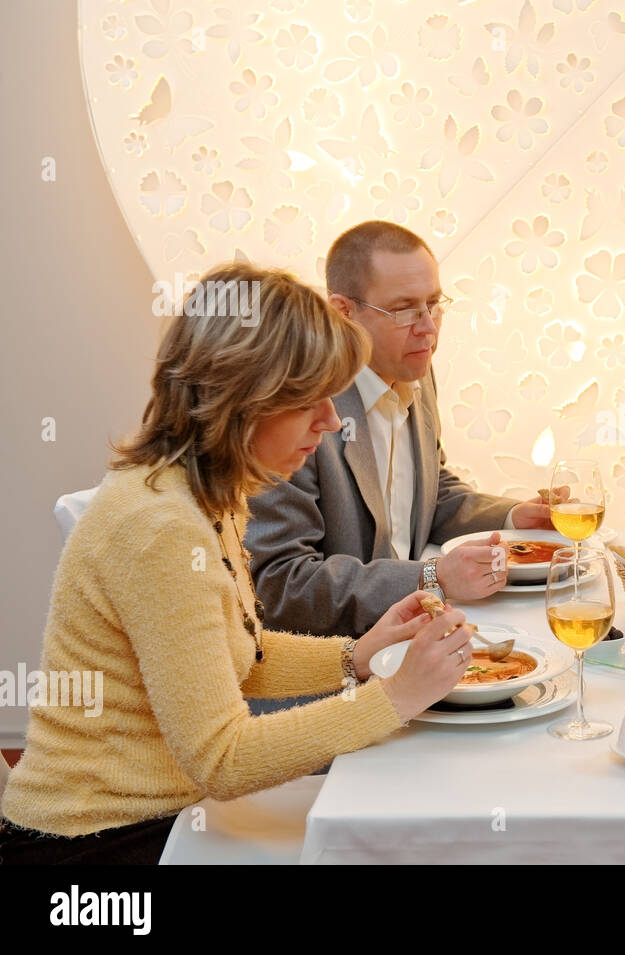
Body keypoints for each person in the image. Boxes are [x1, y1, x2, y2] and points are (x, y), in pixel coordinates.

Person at [0, 265, 473, 864]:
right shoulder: (161, 527)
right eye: (310, 402)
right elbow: (222, 760)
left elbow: (235, 658)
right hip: (99, 844)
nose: (332, 422)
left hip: (170, 815)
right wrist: (395, 697)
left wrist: (355, 656)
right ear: (242, 399)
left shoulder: (206, 495)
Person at [246, 221, 552, 638]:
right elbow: (280, 584)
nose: (428, 327)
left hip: (416, 638)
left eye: (434, 303)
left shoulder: (415, 371)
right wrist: (430, 579)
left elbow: (429, 494)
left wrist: (517, 517)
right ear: (343, 312)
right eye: (405, 309)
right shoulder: (295, 408)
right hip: (336, 666)